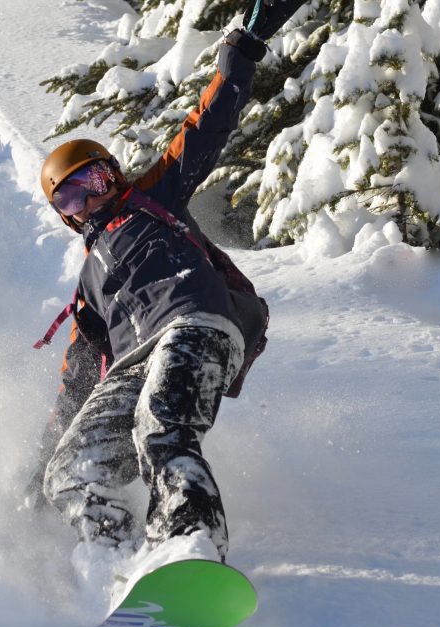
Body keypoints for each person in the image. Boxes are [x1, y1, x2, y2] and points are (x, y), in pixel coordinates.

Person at [29, 1, 304, 572]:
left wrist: (241, 49)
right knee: (71, 470)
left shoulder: (153, 199)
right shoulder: (87, 288)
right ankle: (122, 567)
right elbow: (79, 376)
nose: (93, 199)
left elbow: (205, 128)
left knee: (161, 429)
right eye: (73, 196)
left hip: (194, 323)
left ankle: (191, 545)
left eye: (99, 180)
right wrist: (40, 461)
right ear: (66, 214)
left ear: (117, 176)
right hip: (135, 360)